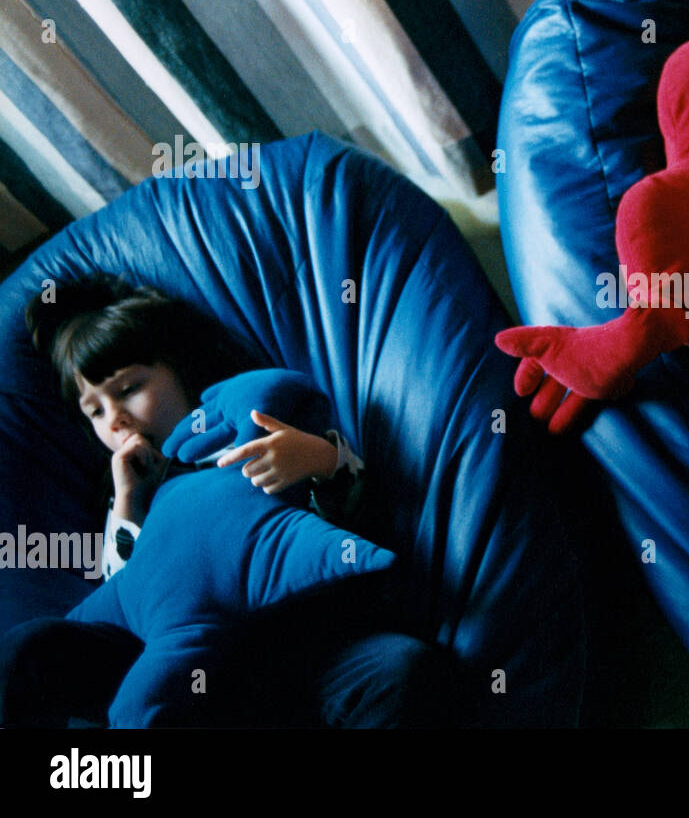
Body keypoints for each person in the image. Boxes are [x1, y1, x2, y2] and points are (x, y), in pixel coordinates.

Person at [0, 277, 447, 727]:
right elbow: (124, 603)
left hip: (303, 653)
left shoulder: (247, 431)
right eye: (95, 410)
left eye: (128, 389)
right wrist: (127, 507)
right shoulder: (129, 498)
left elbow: (357, 519)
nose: (115, 419)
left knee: (399, 668)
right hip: (190, 674)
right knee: (30, 646)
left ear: (179, 370)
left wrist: (317, 458)